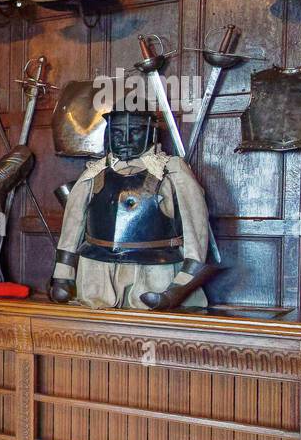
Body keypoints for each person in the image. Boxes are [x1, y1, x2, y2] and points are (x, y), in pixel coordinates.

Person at [49, 98, 213, 310]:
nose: (125, 139)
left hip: (155, 274)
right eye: (117, 132)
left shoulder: (172, 172)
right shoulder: (94, 173)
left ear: (150, 133)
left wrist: (178, 287)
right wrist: (63, 276)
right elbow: (72, 228)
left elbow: (196, 233)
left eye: (134, 131)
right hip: (97, 276)